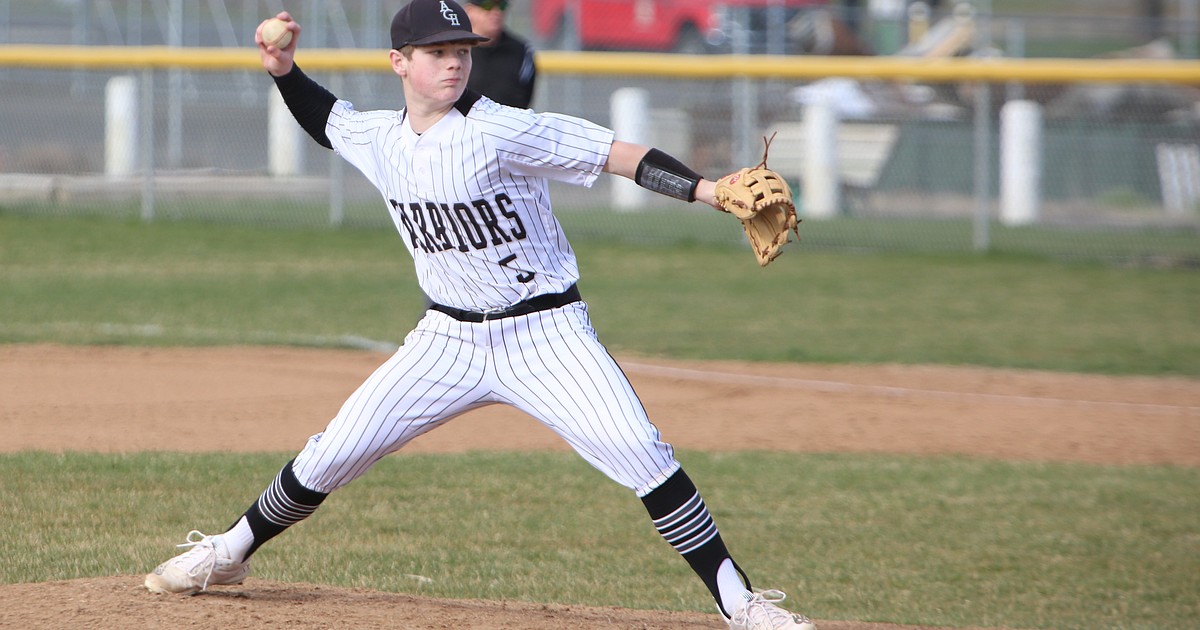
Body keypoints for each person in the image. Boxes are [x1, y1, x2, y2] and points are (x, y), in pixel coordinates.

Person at [143, 1, 815, 629]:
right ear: (399, 62)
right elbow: (327, 120)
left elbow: (616, 155)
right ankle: (230, 551)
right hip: (446, 339)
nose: (455, 61)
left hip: (545, 334)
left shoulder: (502, 128)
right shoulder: (381, 138)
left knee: (641, 451)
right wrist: (284, 71)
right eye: (436, 51)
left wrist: (703, 190)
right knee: (335, 452)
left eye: (461, 48)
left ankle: (741, 604)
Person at [463, 0, 536, 109]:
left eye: (502, 6)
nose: (496, 12)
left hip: (507, 123)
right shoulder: (455, 49)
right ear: (470, 11)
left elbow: (525, 98)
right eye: (488, 6)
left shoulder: (520, 51)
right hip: (463, 123)